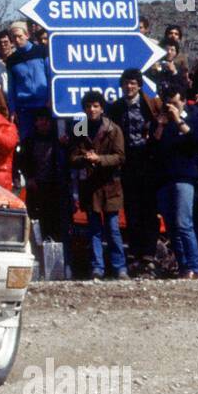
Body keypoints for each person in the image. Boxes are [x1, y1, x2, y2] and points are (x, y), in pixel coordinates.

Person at [152, 83, 198, 279]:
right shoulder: (161, 121)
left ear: (183, 101)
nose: (172, 106)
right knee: (171, 227)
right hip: (163, 178)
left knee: (184, 223)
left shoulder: (194, 117)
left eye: (175, 102)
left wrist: (179, 120)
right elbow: (152, 148)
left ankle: (195, 268)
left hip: (185, 177)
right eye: (168, 103)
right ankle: (183, 266)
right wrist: (161, 124)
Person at [69, 91, 127, 280]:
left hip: (110, 184)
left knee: (112, 228)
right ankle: (97, 268)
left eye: (95, 106)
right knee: (93, 229)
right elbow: (72, 156)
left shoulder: (114, 129)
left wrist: (99, 159)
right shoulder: (79, 127)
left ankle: (120, 268)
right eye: (88, 106)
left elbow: (120, 157)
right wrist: (84, 158)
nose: (91, 109)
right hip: (90, 185)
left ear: (102, 108)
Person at [107, 69, 160, 276]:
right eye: (126, 83)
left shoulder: (151, 105)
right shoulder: (115, 108)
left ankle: (149, 255)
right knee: (131, 209)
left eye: (133, 83)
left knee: (149, 209)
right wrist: (76, 134)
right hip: (126, 162)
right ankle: (135, 255)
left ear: (139, 85)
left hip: (148, 161)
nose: (129, 87)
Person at [16, 108, 69, 244]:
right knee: (35, 222)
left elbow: (81, 129)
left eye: (46, 120)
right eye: (40, 120)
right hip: (36, 188)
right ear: (35, 123)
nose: (43, 123)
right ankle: (36, 250)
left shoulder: (59, 139)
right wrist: (30, 178)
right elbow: (22, 161)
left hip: (55, 188)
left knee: (56, 223)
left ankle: (58, 256)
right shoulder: (29, 141)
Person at [4, 21, 52, 140]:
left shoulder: (41, 51)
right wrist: (13, 109)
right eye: (13, 37)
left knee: (48, 140)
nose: (17, 40)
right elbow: (11, 86)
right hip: (24, 108)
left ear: (27, 35)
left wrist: (51, 98)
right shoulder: (11, 60)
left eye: (19, 36)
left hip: (45, 105)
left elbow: (50, 76)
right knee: (27, 142)